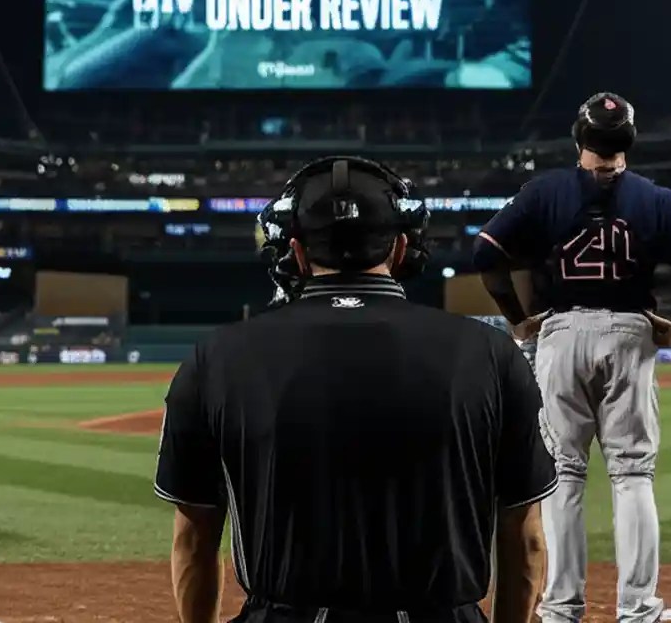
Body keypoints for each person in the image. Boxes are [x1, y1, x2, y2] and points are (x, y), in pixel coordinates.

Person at [154, 156, 558, 623]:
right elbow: (526, 541)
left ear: (298, 253)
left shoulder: (214, 357)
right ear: (402, 247)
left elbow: (194, 541)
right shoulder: (492, 354)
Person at [472, 92, 671, 623]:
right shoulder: (655, 198)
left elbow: (486, 253)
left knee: (564, 476)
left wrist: (518, 317)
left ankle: (562, 610)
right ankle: (638, 611)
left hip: (562, 334)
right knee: (633, 475)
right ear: (630, 141)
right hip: (631, 335)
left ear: (578, 138)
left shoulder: (545, 191)